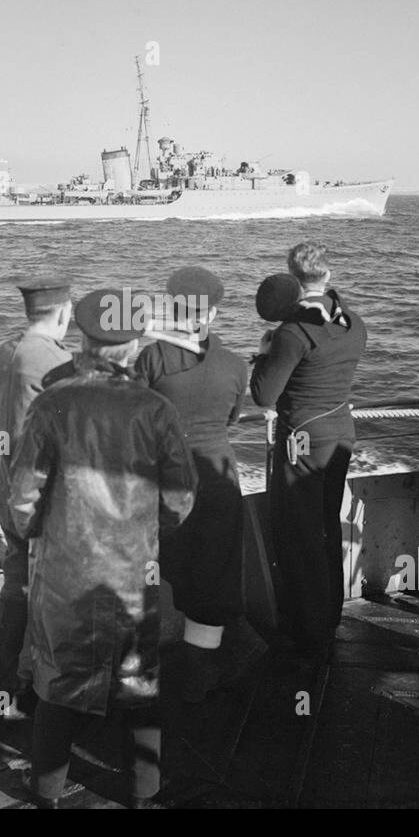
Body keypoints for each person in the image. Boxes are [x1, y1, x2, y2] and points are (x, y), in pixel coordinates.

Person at [8, 287, 198, 808]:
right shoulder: (157, 410)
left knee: (58, 682)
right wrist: (150, 530)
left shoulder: (51, 404)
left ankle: (45, 792)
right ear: (135, 345)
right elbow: (181, 499)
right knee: (138, 682)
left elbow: (23, 497)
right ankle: (145, 792)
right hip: (134, 571)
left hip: (66, 571)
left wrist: (39, 533)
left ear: (84, 338)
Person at [133, 266, 260, 702]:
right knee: (214, 568)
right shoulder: (235, 365)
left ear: (171, 308)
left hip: (166, 478)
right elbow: (230, 419)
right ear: (215, 313)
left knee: (164, 563)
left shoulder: (152, 358)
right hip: (219, 477)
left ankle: (150, 660)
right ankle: (200, 666)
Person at [250, 242, 367, 659]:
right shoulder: (354, 323)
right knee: (325, 526)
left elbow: (264, 395)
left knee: (298, 535)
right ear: (328, 276)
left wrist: (264, 355)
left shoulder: (291, 333)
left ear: (292, 280)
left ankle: (308, 632)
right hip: (340, 436)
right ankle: (329, 617)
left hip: (302, 441)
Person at [0, 278, 73, 723]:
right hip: (47, 502)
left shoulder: (2, 354)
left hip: (10, 494)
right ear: (62, 312)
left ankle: (0, 694)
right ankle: (41, 696)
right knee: (48, 599)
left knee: (15, 590)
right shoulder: (61, 364)